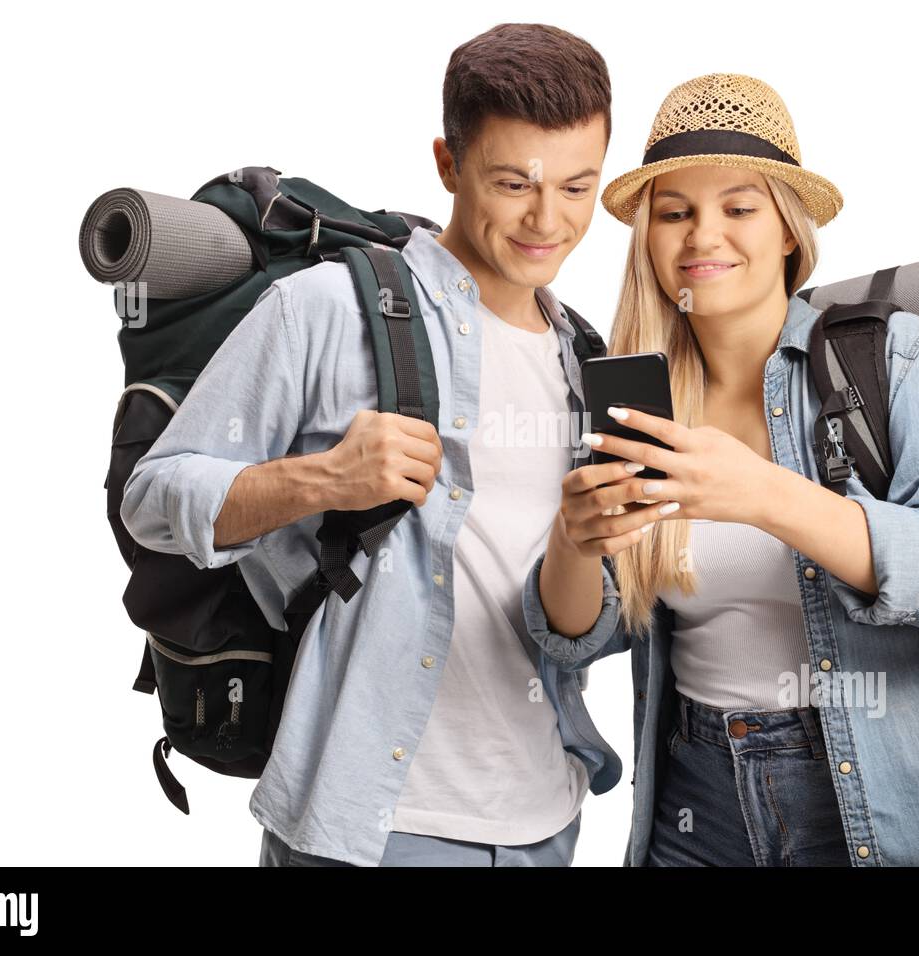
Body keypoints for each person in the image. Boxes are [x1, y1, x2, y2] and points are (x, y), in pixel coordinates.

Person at [121, 22, 616, 867]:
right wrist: (321, 479)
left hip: (548, 821)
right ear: (448, 165)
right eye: (514, 183)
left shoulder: (586, 357)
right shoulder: (327, 308)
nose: (549, 221)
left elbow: (578, 630)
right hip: (372, 828)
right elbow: (153, 500)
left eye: (577, 188)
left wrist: (598, 550)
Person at [521, 73, 919, 866]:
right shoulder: (631, 397)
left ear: (790, 230)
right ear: (648, 238)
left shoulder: (899, 358)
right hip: (694, 799)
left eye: (738, 207)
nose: (703, 237)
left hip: (879, 801)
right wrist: (573, 542)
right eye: (675, 212)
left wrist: (764, 494)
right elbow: (576, 642)